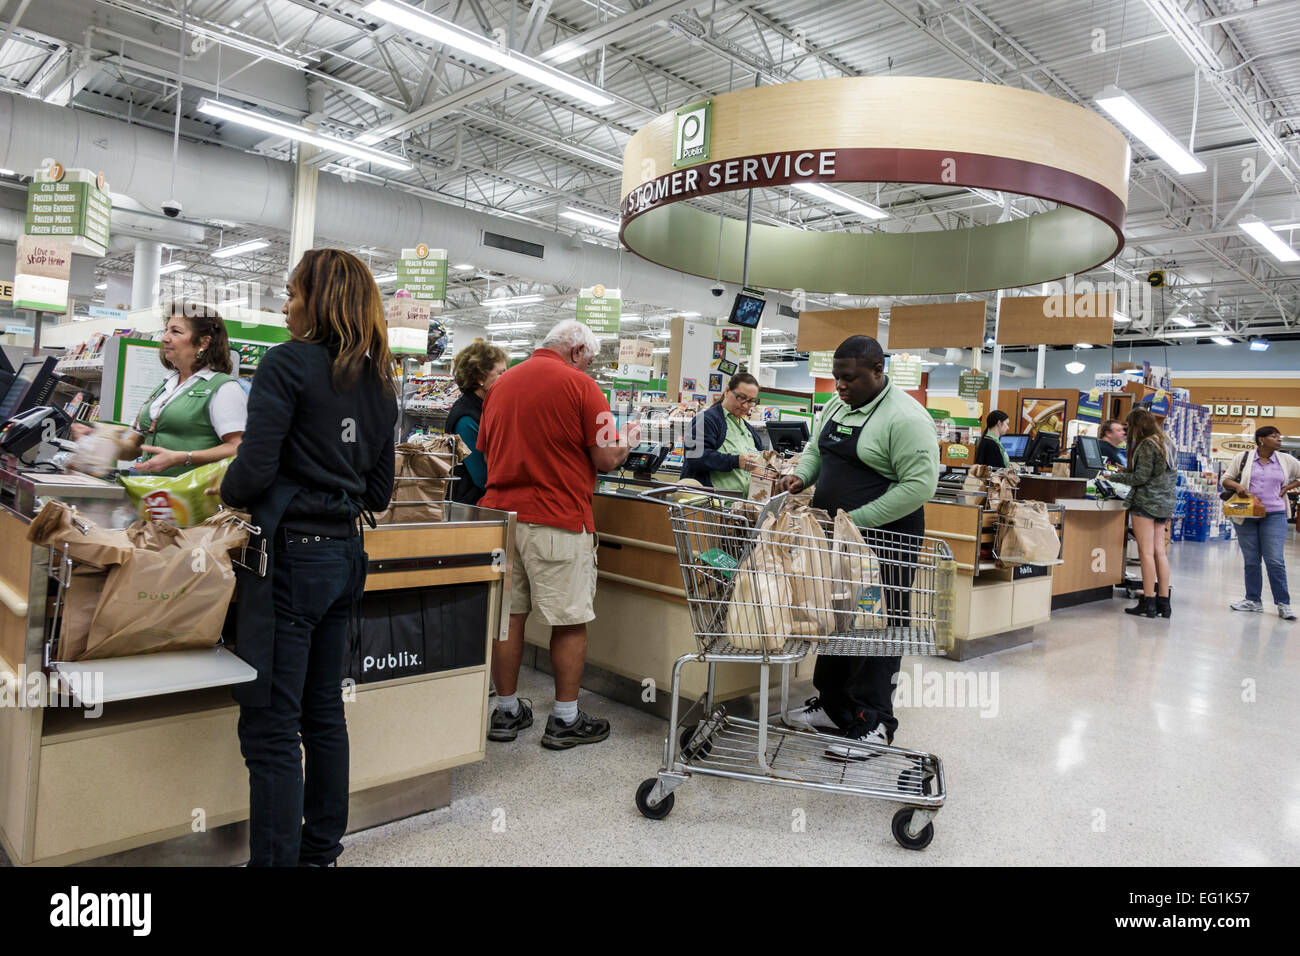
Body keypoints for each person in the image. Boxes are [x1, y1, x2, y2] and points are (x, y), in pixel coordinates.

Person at [221, 249, 397, 866]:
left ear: (317, 299)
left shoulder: (284, 364)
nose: (285, 303)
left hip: (289, 560)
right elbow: (379, 493)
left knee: (270, 723)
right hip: (346, 556)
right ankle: (319, 852)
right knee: (324, 711)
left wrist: (234, 488)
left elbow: (251, 473)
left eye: (292, 292)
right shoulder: (379, 381)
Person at [477, 320, 638, 749]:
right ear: (578, 350)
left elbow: (487, 450)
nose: (590, 366)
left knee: (508, 621)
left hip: (501, 520)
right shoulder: (583, 387)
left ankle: (506, 712)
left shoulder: (500, 386)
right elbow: (606, 459)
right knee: (568, 620)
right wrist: (629, 441)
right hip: (558, 519)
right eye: (590, 358)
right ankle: (565, 719)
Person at [779, 335, 939, 758]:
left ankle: (874, 720)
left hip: (882, 546)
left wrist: (855, 523)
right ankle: (833, 706)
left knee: (877, 622)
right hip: (837, 543)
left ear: (877, 372)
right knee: (838, 618)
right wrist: (803, 476)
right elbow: (818, 449)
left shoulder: (906, 418)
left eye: (848, 378)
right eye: (836, 378)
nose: (840, 386)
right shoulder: (837, 405)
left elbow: (920, 486)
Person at [117, 301, 246, 476]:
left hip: (192, 497)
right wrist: (100, 442)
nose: (165, 338)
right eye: (166, 330)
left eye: (176, 331)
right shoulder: (166, 385)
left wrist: (184, 457)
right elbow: (134, 446)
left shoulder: (223, 388)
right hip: (153, 494)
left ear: (204, 342)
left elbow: (239, 447)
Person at [1221, 425, 1300, 620]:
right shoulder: (1244, 458)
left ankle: (1283, 603)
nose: (1279, 440)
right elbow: (1226, 479)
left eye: (1280, 437)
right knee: (1252, 560)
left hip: (1274, 515)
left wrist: (1287, 488)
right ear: (1261, 439)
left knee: (1274, 560)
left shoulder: (1286, 460)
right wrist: (1238, 486)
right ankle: (1253, 600)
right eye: (1275, 437)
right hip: (1246, 514)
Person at [1105, 408, 1176, 619]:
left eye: (1129, 427)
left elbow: (1141, 478)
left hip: (1146, 502)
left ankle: (1148, 601)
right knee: (1159, 552)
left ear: (1138, 425)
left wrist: (1113, 477)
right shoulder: (1167, 442)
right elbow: (1156, 472)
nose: (1128, 432)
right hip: (1165, 502)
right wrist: (1126, 472)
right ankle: (1164, 603)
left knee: (1145, 552)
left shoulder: (1146, 444)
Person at [445, 341, 508, 505]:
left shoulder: (484, 408)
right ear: (480, 377)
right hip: (469, 507)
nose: (507, 378)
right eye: (501, 373)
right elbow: (481, 477)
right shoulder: (466, 418)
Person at [680, 371, 764, 490]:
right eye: (741, 398)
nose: (746, 406)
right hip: (713, 504)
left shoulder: (747, 429)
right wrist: (735, 461)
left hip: (742, 504)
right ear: (727, 391)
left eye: (751, 401)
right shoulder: (706, 420)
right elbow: (694, 456)